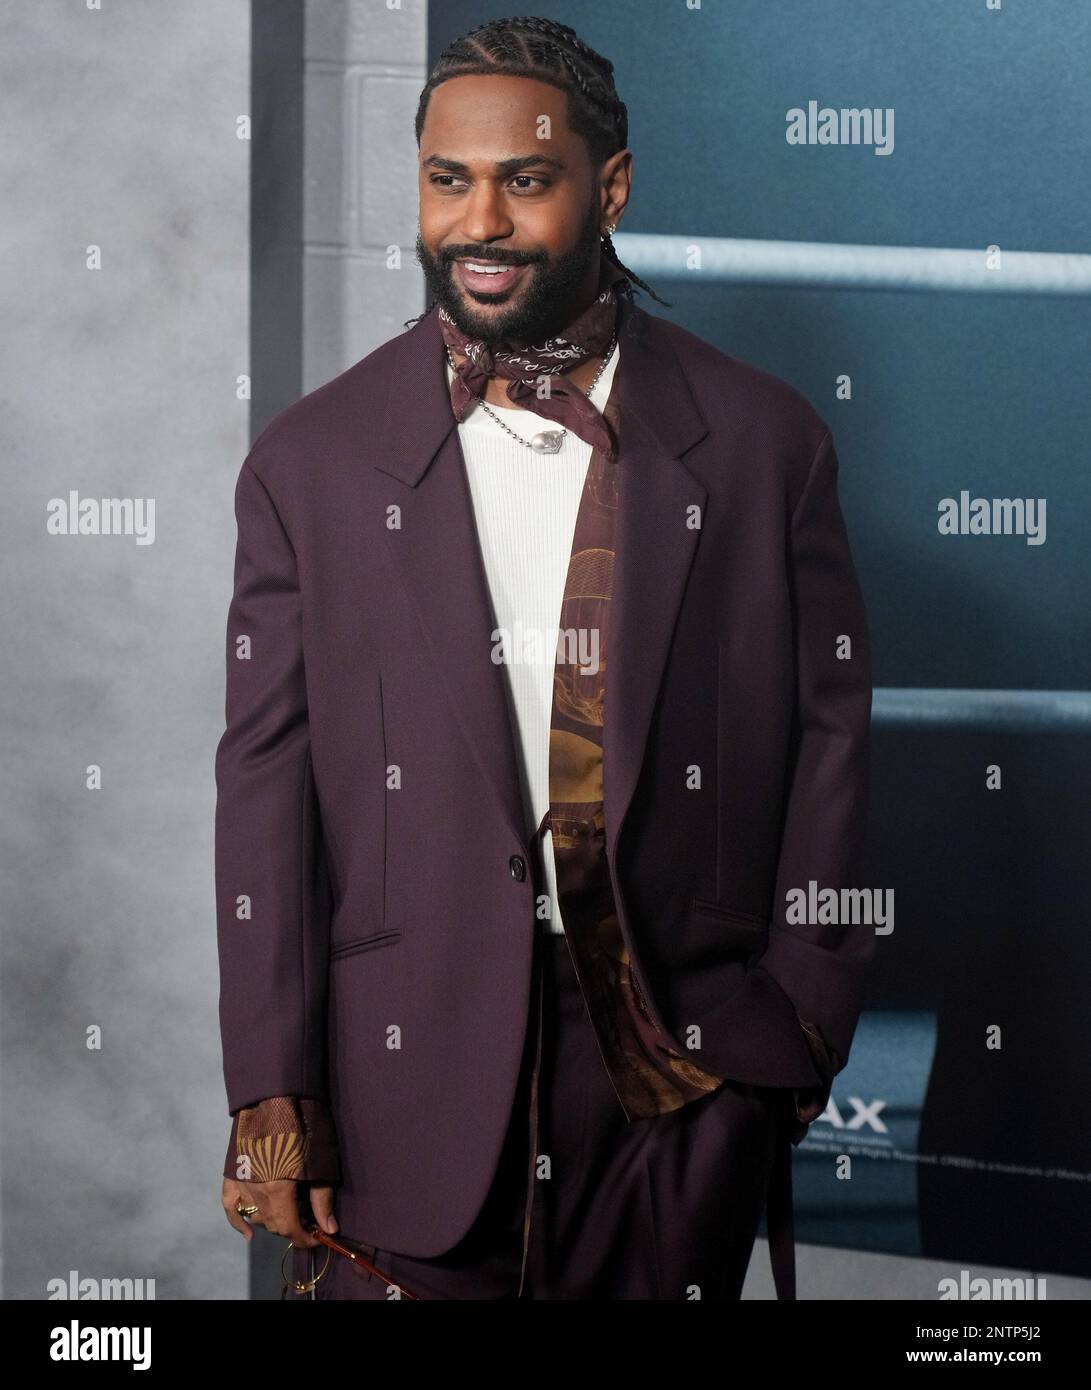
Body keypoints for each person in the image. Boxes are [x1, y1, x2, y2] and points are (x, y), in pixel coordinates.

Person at [216, 14, 874, 1300]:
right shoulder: (309, 464)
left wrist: (794, 1026)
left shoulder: (761, 444)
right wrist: (274, 1085)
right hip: (400, 1081)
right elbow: (265, 791)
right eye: (446, 181)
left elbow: (829, 748)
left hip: (675, 1092)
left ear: (608, 186)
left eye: (523, 180)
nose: (479, 223)